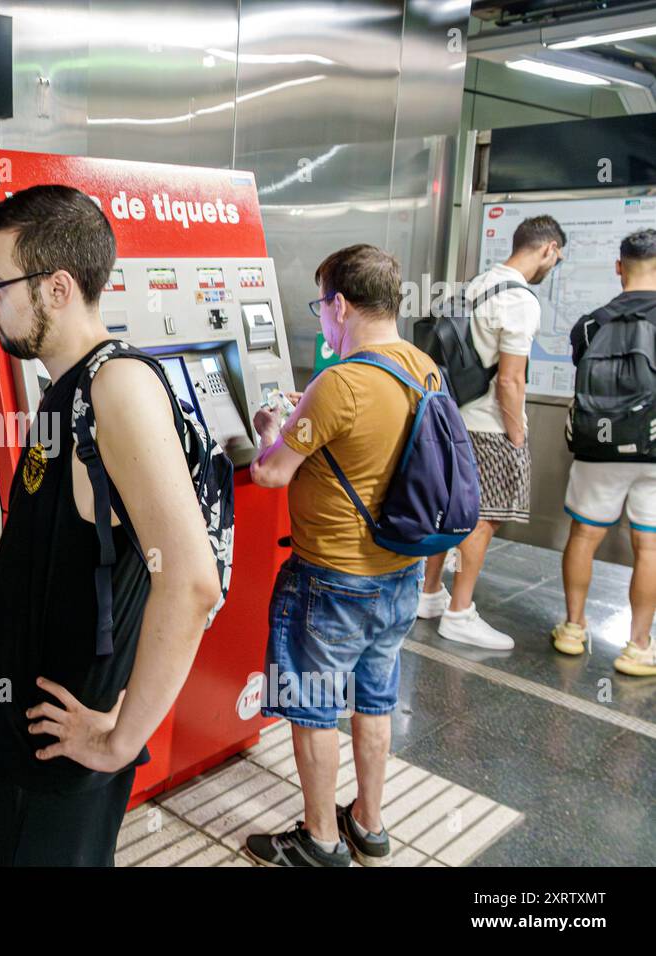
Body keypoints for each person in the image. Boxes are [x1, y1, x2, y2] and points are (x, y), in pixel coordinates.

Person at [0, 185, 221, 866]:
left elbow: (192, 582)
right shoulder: (68, 389)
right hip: (20, 748)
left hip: (55, 765)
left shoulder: (116, 390)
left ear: (57, 288)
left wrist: (119, 739)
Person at [245, 244, 440, 867]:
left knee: (313, 707)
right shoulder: (422, 367)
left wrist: (271, 428)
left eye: (322, 306)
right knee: (376, 698)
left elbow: (273, 474)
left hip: (332, 581)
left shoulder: (342, 382)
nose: (324, 320)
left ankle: (320, 840)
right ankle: (370, 826)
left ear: (342, 304)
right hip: (400, 575)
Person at [419, 215, 567, 649]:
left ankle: (428, 593)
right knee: (485, 518)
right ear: (549, 249)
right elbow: (509, 379)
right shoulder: (521, 300)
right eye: (555, 259)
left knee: (450, 510)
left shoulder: (479, 284)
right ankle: (460, 611)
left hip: (455, 417)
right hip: (489, 426)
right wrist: (517, 434)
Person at [551, 228, 656, 677]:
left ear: (619, 267)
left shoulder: (592, 323)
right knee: (649, 547)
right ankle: (638, 646)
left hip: (600, 446)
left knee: (583, 536)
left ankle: (574, 629)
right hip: (654, 449)